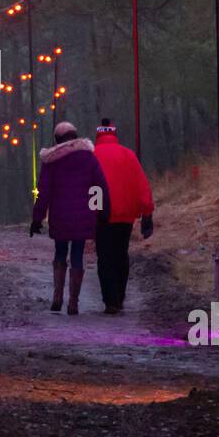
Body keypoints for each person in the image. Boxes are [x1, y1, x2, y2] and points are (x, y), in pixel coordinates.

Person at [31, 121, 109, 315]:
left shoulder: (51, 161)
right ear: (75, 136)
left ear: (57, 138)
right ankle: (73, 302)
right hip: (83, 216)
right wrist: (102, 211)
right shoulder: (88, 158)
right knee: (77, 255)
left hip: (60, 216)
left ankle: (57, 298)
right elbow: (99, 186)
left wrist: (37, 218)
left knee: (59, 252)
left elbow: (44, 192)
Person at [92, 118, 154, 314]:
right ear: (114, 135)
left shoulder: (92, 155)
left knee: (105, 257)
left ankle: (111, 300)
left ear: (98, 136)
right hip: (126, 215)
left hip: (101, 214)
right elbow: (142, 185)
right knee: (121, 254)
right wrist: (147, 212)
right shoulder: (129, 155)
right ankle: (120, 296)